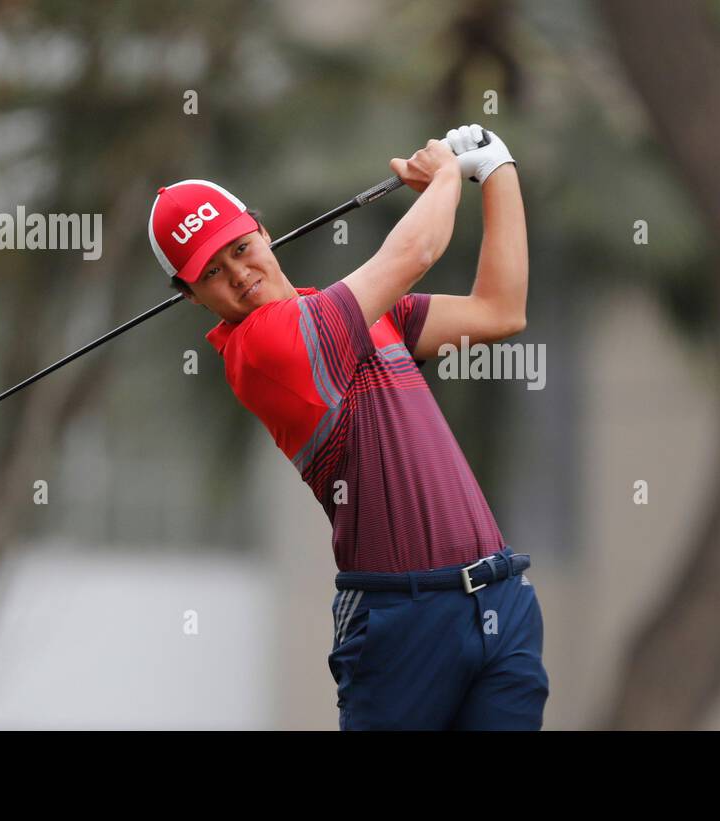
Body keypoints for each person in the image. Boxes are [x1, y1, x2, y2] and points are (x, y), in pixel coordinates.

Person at [146, 125, 547, 730]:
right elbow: (413, 254)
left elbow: (499, 310)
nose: (238, 273)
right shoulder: (262, 348)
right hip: (399, 621)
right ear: (191, 295)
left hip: (499, 597)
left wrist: (497, 171)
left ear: (261, 229)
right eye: (210, 273)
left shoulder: (349, 310)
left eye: (239, 247)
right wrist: (444, 176)